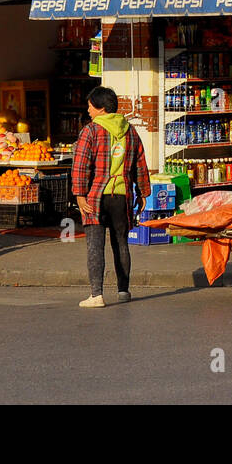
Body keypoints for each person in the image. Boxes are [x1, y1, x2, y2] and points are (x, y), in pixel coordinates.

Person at [71, 86, 151, 308]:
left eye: (90, 106)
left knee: (95, 246)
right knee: (121, 243)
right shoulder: (130, 131)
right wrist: (143, 192)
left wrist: (79, 194)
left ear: (101, 108)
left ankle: (96, 295)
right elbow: (140, 165)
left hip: (96, 197)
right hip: (121, 196)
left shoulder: (91, 131)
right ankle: (123, 290)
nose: (88, 110)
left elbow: (81, 166)